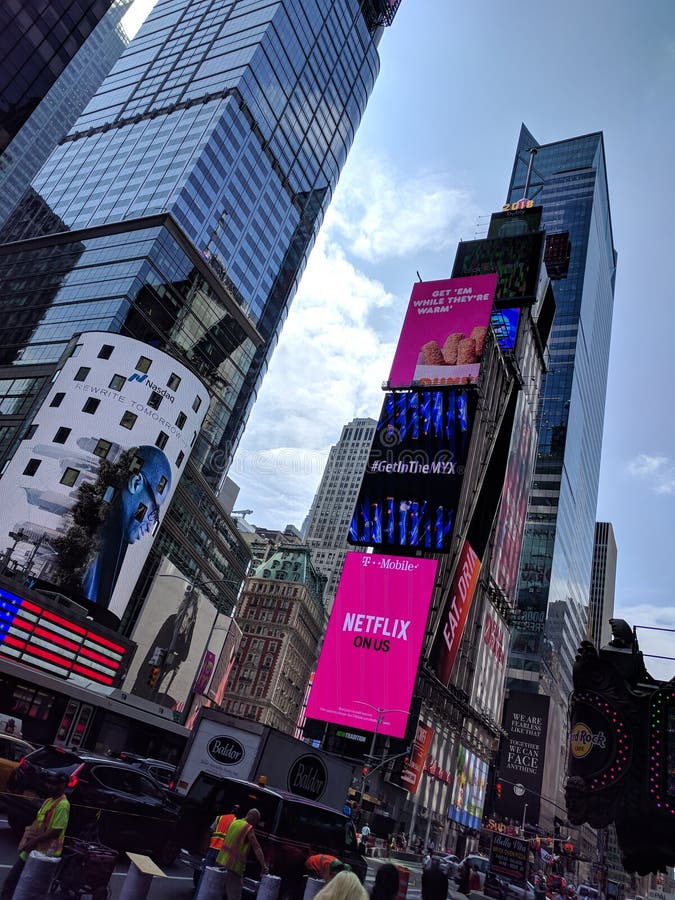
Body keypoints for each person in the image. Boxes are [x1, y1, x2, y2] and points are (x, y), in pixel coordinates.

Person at [81, 445, 172, 608]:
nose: (149, 525)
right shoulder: (93, 548)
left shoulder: (109, 544)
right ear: (136, 484)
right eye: (153, 511)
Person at [1, 773, 70, 899]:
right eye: (49, 783)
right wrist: (27, 838)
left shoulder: (63, 805)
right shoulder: (49, 801)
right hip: (31, 850)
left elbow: (56, 831)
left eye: (54, 784)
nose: (50, 786)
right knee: (12, 883)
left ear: (62, 786)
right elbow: (38, 821)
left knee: (28, 889)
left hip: (43, 855)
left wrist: (34, 841)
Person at [216, 808, 269, 900]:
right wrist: (263, 865)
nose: (255, 825)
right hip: (233, 867)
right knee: (235, 895)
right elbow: (257, 847)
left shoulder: (235, 822)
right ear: (253, 819)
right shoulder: (247, 828)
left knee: (218, 892)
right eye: (255, 822)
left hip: (222, 861)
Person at [204, 804, 241, 870]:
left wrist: (207, 845)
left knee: (206, 869)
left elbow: (211, 831)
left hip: (212, 847)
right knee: (215, 872)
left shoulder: (219, 818)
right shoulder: (236, 823)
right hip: (223, 852)